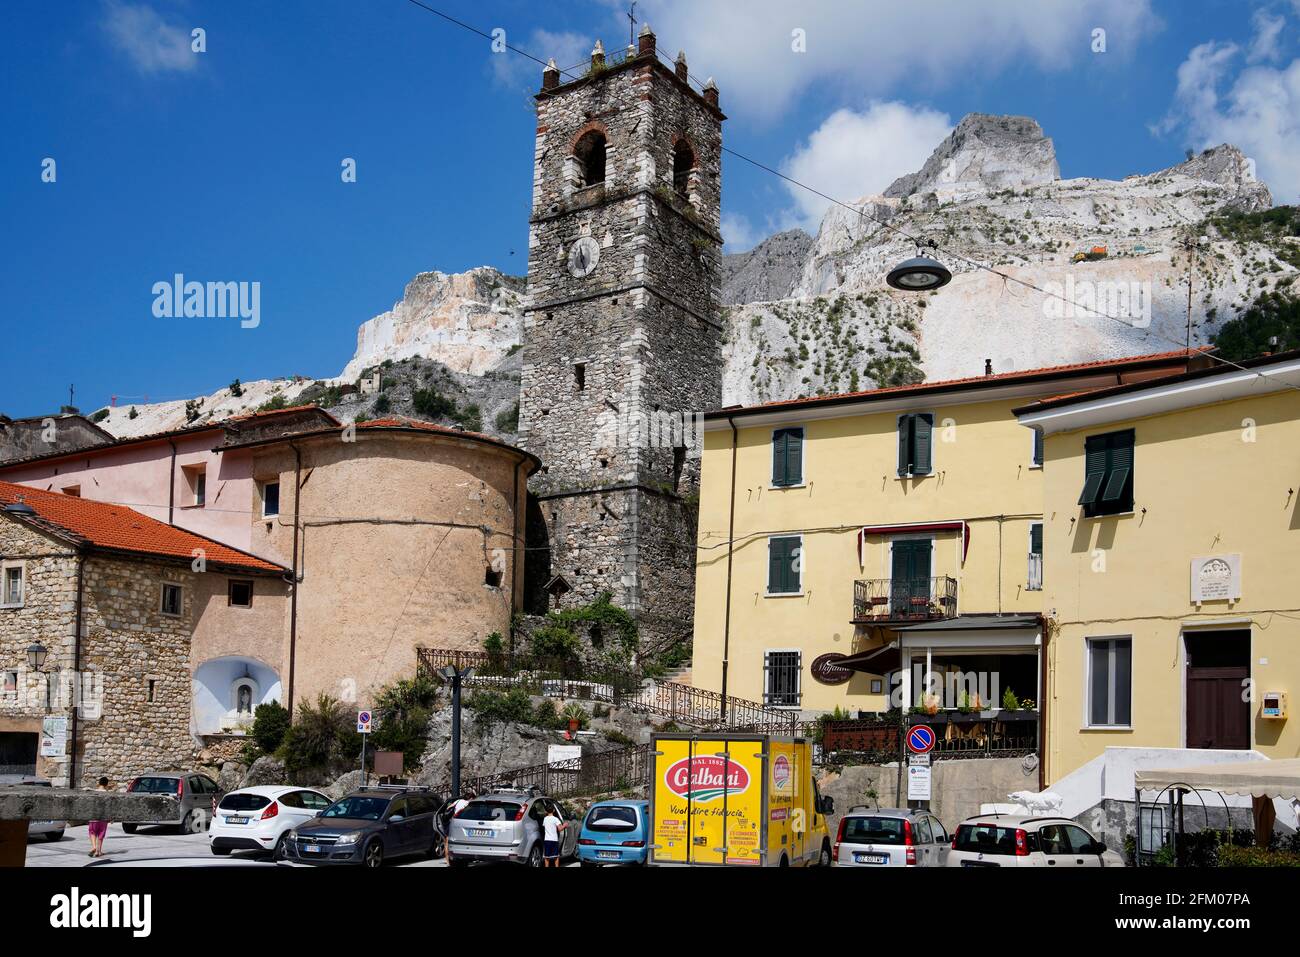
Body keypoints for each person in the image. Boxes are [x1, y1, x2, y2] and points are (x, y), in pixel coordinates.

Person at [87, 777, 111, 858]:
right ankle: (98, 851)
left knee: (92, 832)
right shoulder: (108, 794)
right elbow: (109, 806)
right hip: (103, 817)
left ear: (99, 783)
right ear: (106, 784)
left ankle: (94, 847)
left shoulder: (93, 792)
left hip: (93, 816)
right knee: (101, 834)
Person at [541, 803, 566, 868]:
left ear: (546, 811)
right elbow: (560, 829)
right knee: (556, 856)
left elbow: (544, 827)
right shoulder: (556, 819)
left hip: (547, 840)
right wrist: (565, 825)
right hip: (554, 840)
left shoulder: (545, 819)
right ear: (554, 810)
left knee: (547, 857)